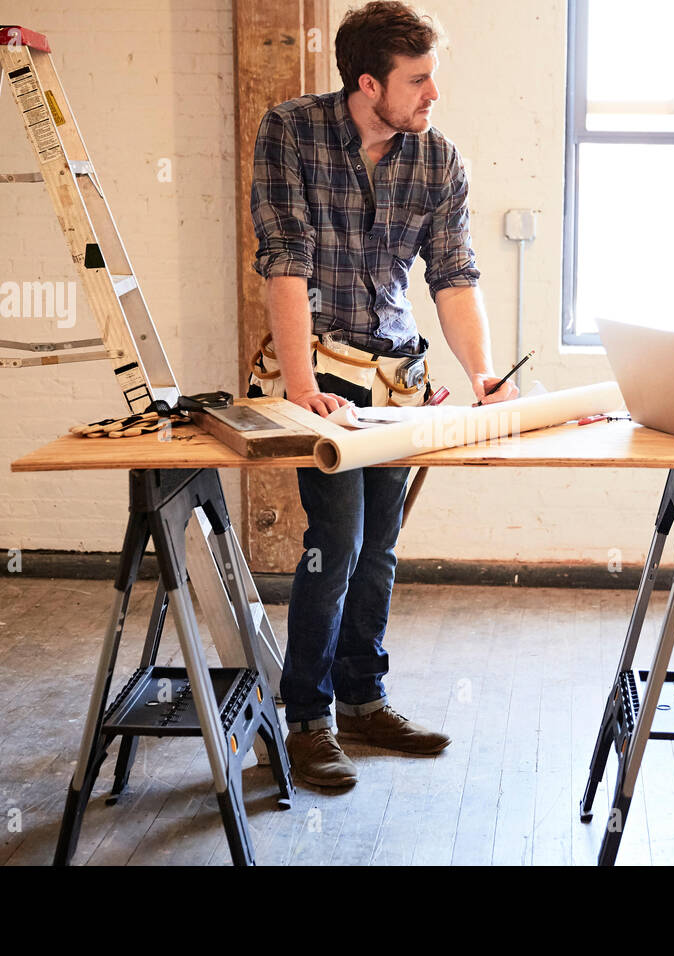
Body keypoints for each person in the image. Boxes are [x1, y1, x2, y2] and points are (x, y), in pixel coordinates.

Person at [250, 1, 518, 788]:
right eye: (420, 80)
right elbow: (285, 261)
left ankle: (364, 702)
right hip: (319, 367)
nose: (434, 94)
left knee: (378, 549)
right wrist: (302, 389)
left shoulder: (437, 161)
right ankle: (307, 717)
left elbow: (454, 277)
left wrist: (484, 373)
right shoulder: (290, 131)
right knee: (335, 544)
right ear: (369, 83)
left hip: (395, 377)